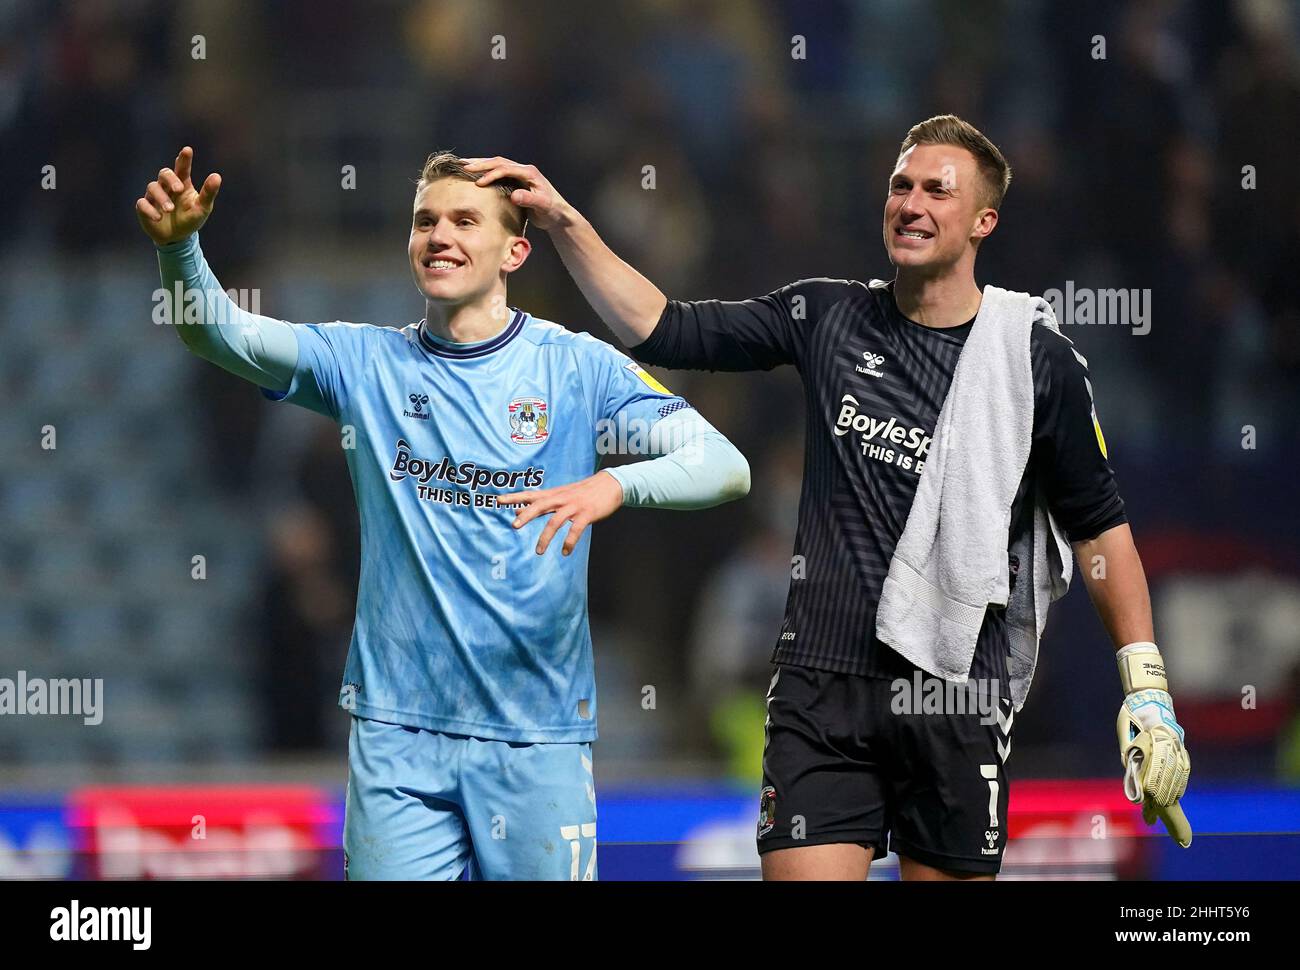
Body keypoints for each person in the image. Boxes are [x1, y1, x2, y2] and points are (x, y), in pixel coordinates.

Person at [465, 113, 1192, 881]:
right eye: (900, 186)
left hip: (952, 696)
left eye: (937, 190)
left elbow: (1101, 533)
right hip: (821, 692)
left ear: (984, 221)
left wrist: (1147, 691)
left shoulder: (1033, 359)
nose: (911, 203)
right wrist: (566, 221)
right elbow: (665, 329)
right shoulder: (827, 316)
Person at [135, 147, 750, 880]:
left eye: (464, 220)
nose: (439, 236)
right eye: (425, 221)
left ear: (515, 249)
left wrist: (612, 488)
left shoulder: (578, 368)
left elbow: (725, 466)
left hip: (536, 736)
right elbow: (220, 333)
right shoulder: (363, 365)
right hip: (398, 736)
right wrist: (180, 249)